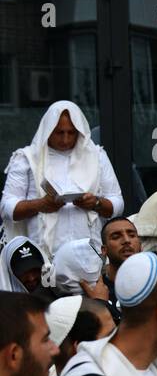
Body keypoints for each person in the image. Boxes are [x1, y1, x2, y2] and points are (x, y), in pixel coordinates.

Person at [3, 101, 123, 258]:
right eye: (59, 133)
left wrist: (95, 203)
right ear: (48, 130)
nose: (65, 139)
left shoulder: (97, 156)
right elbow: (7, 207)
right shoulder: (27, 158)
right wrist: (41, 204)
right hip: (41, 260)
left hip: (90, 257)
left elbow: (118, 204)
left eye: (71, 133)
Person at [100, 216, 140, 309]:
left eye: (132, 235)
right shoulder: (97, 291)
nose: (126, 240)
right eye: (116, 237)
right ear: (104, 250)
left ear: (140, 245)